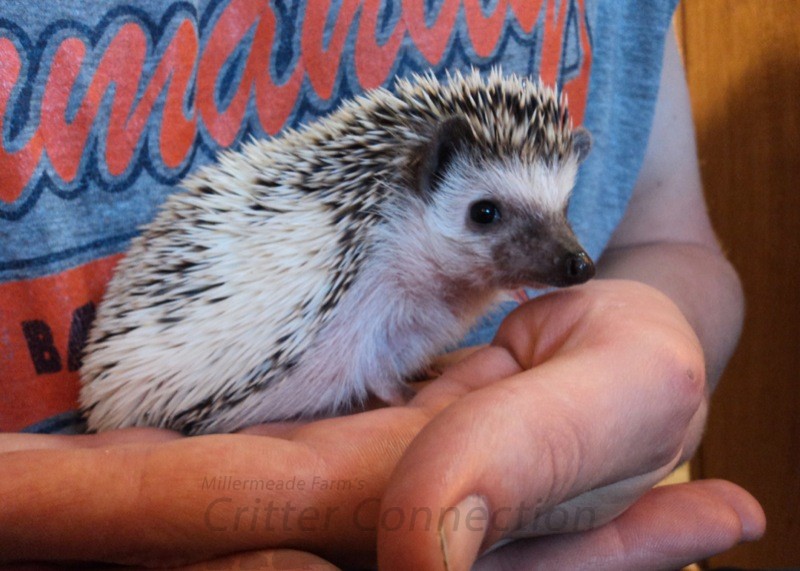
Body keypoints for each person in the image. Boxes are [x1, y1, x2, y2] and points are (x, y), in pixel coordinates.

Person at [0, 1, 764, 569]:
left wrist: (650, 365)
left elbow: (667, 241)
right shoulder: (351, 247)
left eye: (555, 214)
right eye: (490, 215)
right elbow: (332, 359)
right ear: (420, 183)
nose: (559, 255)